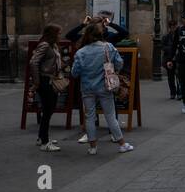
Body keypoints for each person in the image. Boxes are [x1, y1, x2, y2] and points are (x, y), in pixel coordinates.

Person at [70, 22, 134, 155]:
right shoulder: (108, 47)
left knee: (89, 117)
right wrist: (113, 69)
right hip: (105, 86)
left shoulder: (81, 52)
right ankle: (122, 144)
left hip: (87, 87)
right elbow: (119, 63)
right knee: (110, 115)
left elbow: (74, 73)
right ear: (100, 34)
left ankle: (92, 147)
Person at [30, 24, 65, 152]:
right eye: (58, 33)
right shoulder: (45, 45)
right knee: (48, 110)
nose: (60, 35)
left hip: (51, 79)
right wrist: (37, 82)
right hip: (45, 80)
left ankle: (41, 137)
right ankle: (45, 142)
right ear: (52, 34)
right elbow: (34, 62)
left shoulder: (53, 45)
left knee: (48, 110)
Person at [162, 21, 180, 99]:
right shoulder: (166, 37)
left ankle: (179, 93)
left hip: (177, 59)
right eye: (172, 27)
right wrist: (171, 49)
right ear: (169, 28)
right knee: (170, 77)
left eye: (174, 27)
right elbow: (163, 46)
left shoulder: (179, 36)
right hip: (169, 59)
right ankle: (173, 93)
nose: (173, 28)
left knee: (179, 77)